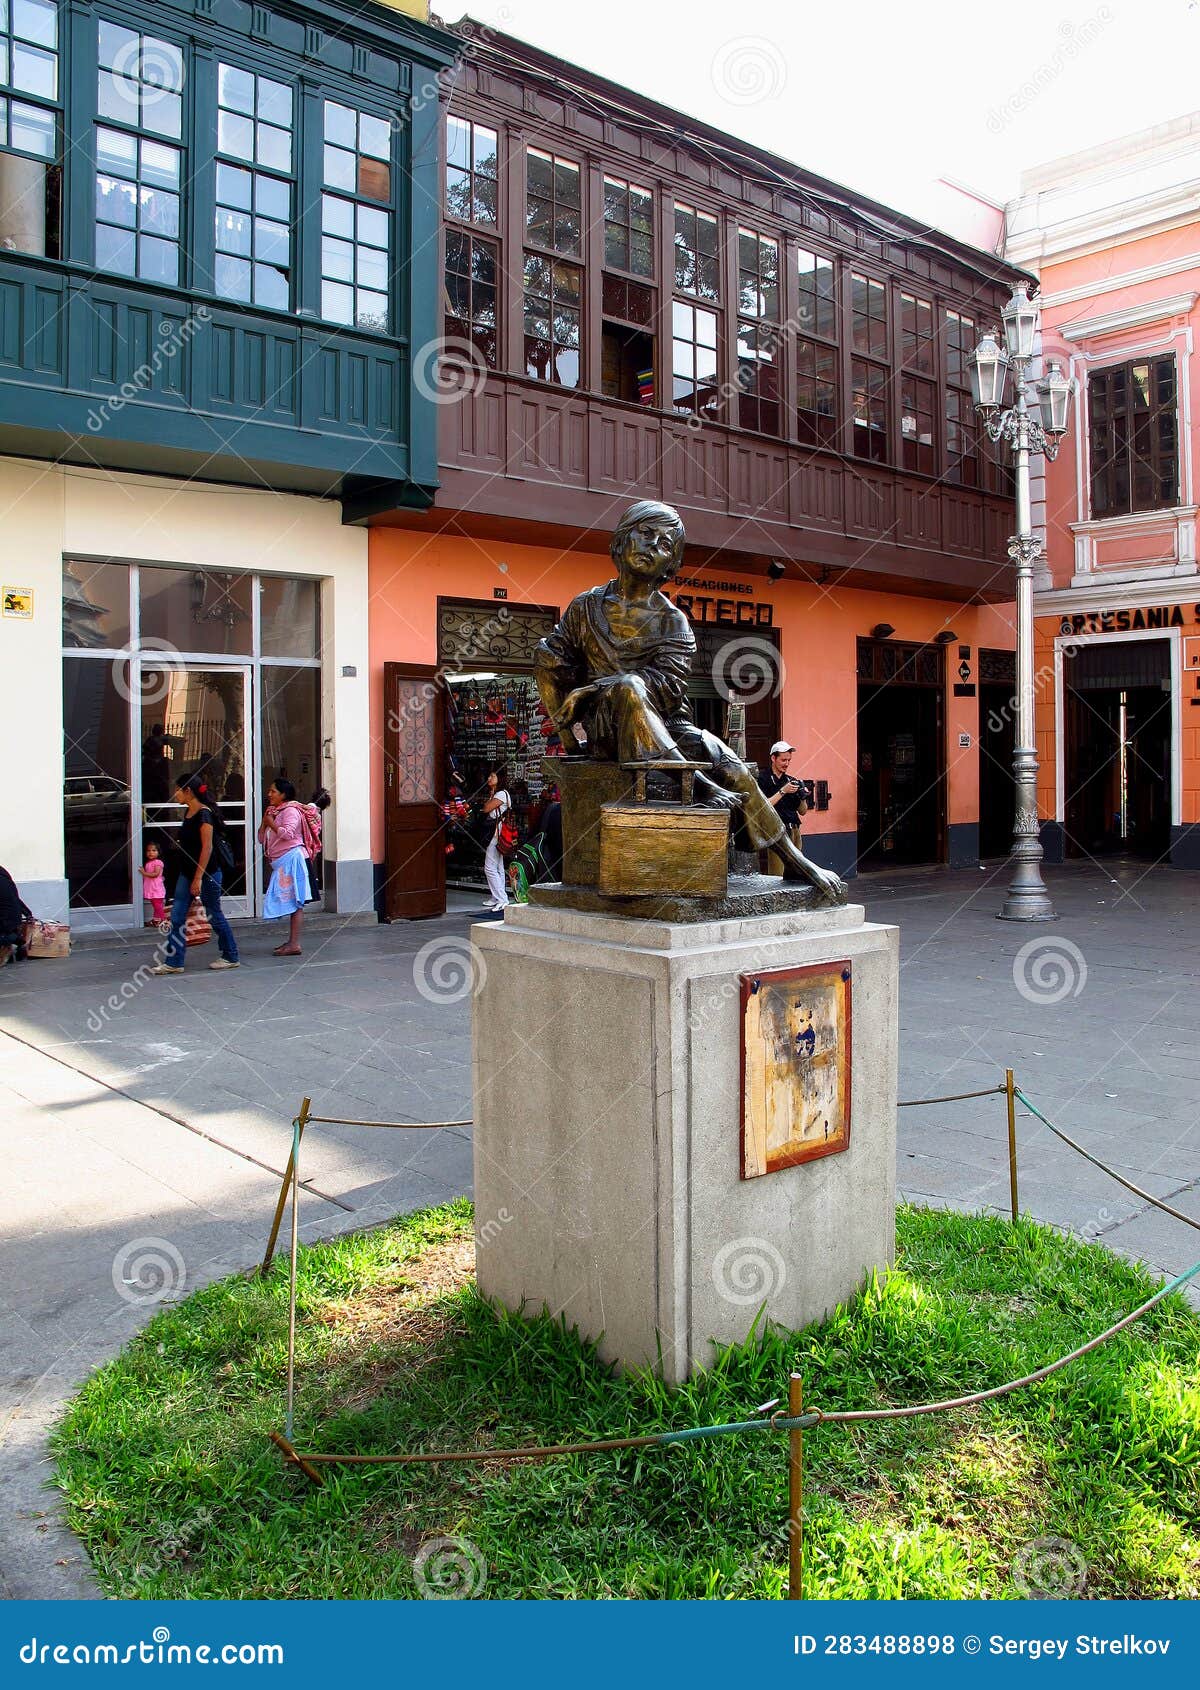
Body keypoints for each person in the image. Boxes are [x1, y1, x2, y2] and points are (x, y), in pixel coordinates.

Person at [533, 500, 845, 901]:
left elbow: (664, 685)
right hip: (608, 728)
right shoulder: (585, 607)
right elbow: (555, 658)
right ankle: (697, 783)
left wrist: (593, 687)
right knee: (577, 666)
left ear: (670, 564)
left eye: (664, 543)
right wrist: (566, 728)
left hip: (667, 725)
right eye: (645, 533)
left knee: (729, 763)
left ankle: (792, 857)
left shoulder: (672, 621)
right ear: (619, 541)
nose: (651, 546)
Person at [150, 776, 240, 975]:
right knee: (177, 915)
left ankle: (230, 955)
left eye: (178, 790)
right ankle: (174, 962)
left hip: (207, 874)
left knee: (213, 914)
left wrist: (198, 878)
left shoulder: (204, 815)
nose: (176, 794)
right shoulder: (189, 812)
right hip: (187, 873)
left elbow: (206, 848)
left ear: (188, 791)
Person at [258, 778, 312, 956]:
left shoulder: (290, 811)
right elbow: (261, 838)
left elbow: (288, 834)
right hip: (281, 863)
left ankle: (294, 944)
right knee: (290, 901)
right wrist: (265, 823)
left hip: (292, 860)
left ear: (283, 794)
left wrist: (271, 823)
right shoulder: (273, 811)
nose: (269, 794)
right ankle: (291, 942)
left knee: (296, 902)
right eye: (269, 791)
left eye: (273, 791)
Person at [758, 741, 809, 876]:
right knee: (777, 874)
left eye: (789, 760)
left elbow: (802, 812)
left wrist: (803, 796)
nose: (786, 763)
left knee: (797, 871)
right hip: (777, 832)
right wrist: (783, 791)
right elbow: (763, 806)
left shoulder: (791, 780)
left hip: (794, 830)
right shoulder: (763, 779)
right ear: (773, 758)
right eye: (783, 760)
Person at [480, 766, 511, 913]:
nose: (489, 779)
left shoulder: (501, 794)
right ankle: (496, 896)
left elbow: (486, 808)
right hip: (497, 832)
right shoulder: (496, 793)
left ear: (499, 779)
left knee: (490, 867)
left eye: (492, 776)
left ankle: (502, 899)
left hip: (497, 833)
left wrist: (490, 798)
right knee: (498, 866)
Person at [0, 864, 33, 967]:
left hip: (5, 923)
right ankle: (15, 940)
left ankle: (10, 940)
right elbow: (14, 898)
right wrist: (27, 913)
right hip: (14, 919)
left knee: (6, 934)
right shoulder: (3, 873)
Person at [139, 841, 167, 926]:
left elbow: (156, 874)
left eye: (154, 850)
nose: (151, 852)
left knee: (158, 906)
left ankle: (164, 920)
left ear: (158, 852)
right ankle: (156, 920)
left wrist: (144, 873)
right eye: (148, 850)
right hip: (151, 888)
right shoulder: (148, 863)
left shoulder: (158, 862)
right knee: (155, 906)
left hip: (156, 889)